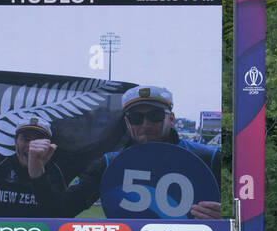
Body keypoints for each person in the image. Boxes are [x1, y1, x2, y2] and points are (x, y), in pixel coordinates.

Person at [32, 86, 221, 220]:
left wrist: (226, 216)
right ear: (127, 123)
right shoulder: (108, 164)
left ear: (171, 119)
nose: (145, 124)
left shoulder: (210, 157)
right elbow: (60, 212)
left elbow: (244, 214)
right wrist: (38, 173)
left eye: (154, 116)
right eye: (136, 118)